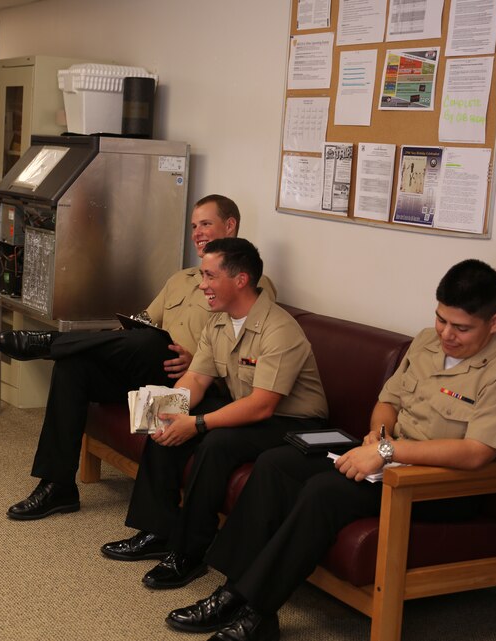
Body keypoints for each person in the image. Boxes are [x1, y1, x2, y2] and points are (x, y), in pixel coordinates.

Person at [165, 258, 496, 641]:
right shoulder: (426, 341)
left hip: (439, 484)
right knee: (277, 464)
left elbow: (476, 453)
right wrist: (379, 436)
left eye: (461, 328)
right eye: (441, 319)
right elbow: (387, 402)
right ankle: (232, 593)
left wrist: (390, 452)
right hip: (387, 456)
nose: (446, 334)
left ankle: (257, 614)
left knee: (324, 491)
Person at [0, 195, 277, 520]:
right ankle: (57, 486)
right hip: (149, 366)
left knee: (148, 342)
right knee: (76, 365)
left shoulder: (252, 285)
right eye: (193, 226)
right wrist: (127, 334)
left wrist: (198, 362)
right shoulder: (181, 279)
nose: (197, 233)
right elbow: (144, 320)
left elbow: (244, 353)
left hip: (194, 383)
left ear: (230, 226)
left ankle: (53, 342)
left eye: (205, 224)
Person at [101, 237, 328, 590]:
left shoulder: (279, 330)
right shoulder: (219, 320)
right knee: (167, 419)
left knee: (215, 443)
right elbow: (197, 377)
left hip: (293, 421)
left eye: (209, 276)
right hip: (248, 408)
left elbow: (263, 405)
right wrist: (167, 411)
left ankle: (189, 553)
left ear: (239, 280)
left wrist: (198, 423)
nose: (202, 285)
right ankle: (158, 532)